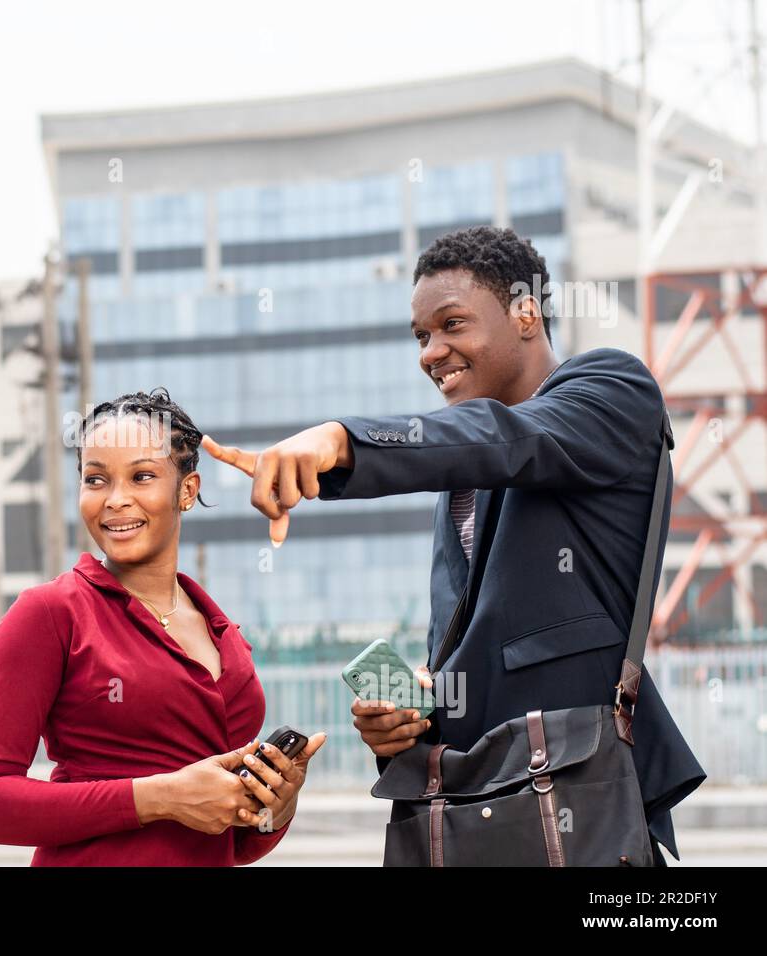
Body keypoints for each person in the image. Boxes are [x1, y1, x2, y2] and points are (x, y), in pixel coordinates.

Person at [204, 226, 705, 865]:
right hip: (481, 815)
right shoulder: (461, 482)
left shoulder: (611, 389)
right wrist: (409, 719)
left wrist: (341, 441)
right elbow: (478, 650)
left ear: (526, 313)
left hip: (581, 815)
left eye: (452, 324)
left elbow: (507, 438)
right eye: (421, 336)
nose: (432, 352)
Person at [0, 387, 327, 865]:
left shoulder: (226, 637)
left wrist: (276, 806)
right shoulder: (48, 614)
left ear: (187, 491)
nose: (115, 500)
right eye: (96, 480)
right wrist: (159, 798)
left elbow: (230, 840)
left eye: (142, 476)